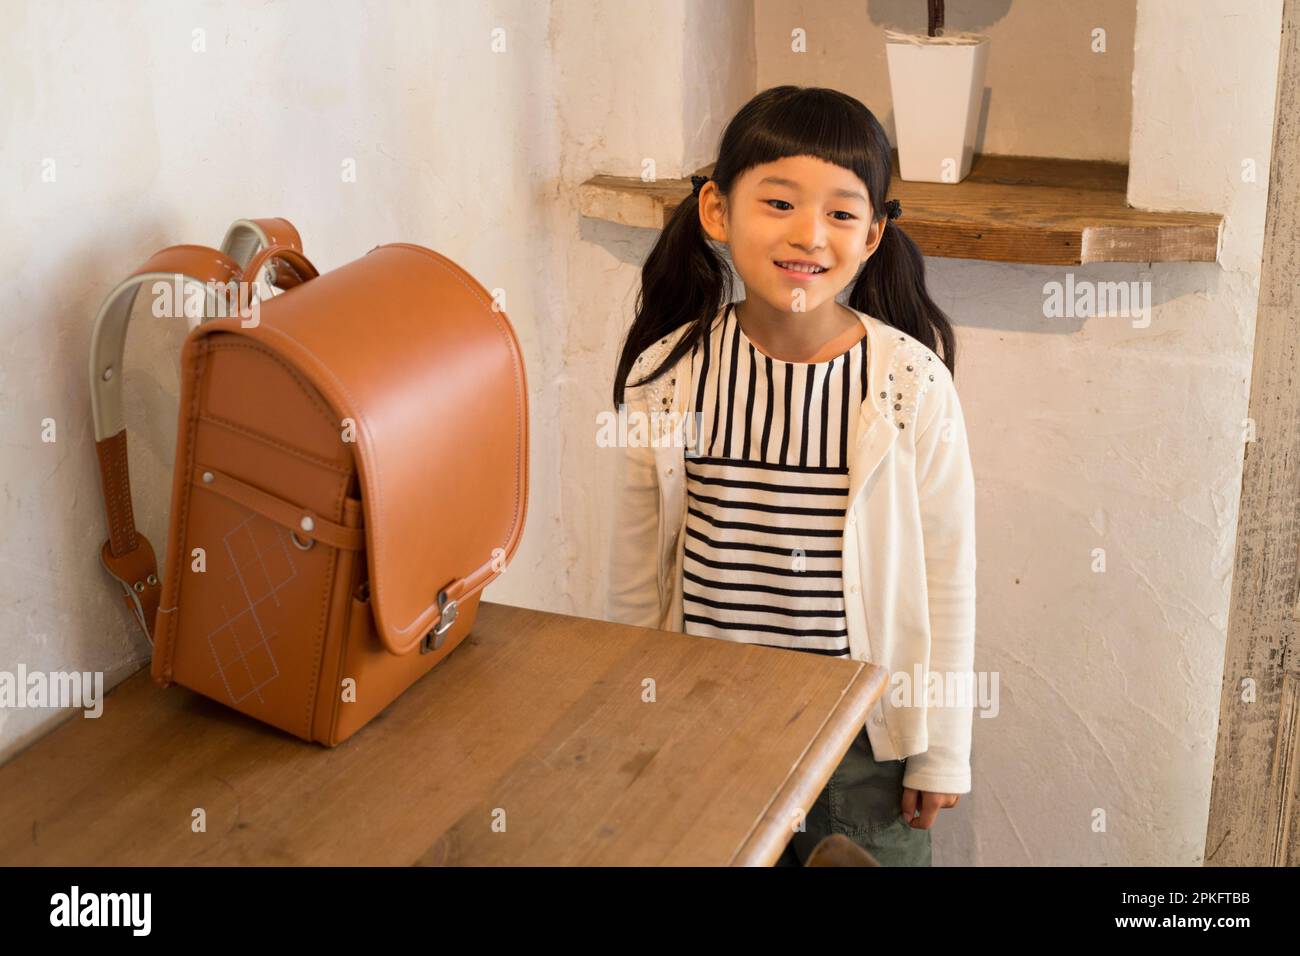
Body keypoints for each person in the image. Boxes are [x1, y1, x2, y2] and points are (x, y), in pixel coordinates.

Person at [606, 86, 976, 866]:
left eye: (841, 213)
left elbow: (948, 577)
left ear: (874, 234)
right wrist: (633, 713)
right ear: (717, 211)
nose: (809, 233)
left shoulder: (910, 383)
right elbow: (638, 570)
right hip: (701, 727)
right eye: (778, 202)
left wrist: (941, 748)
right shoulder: (667, 374)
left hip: (863, 749)